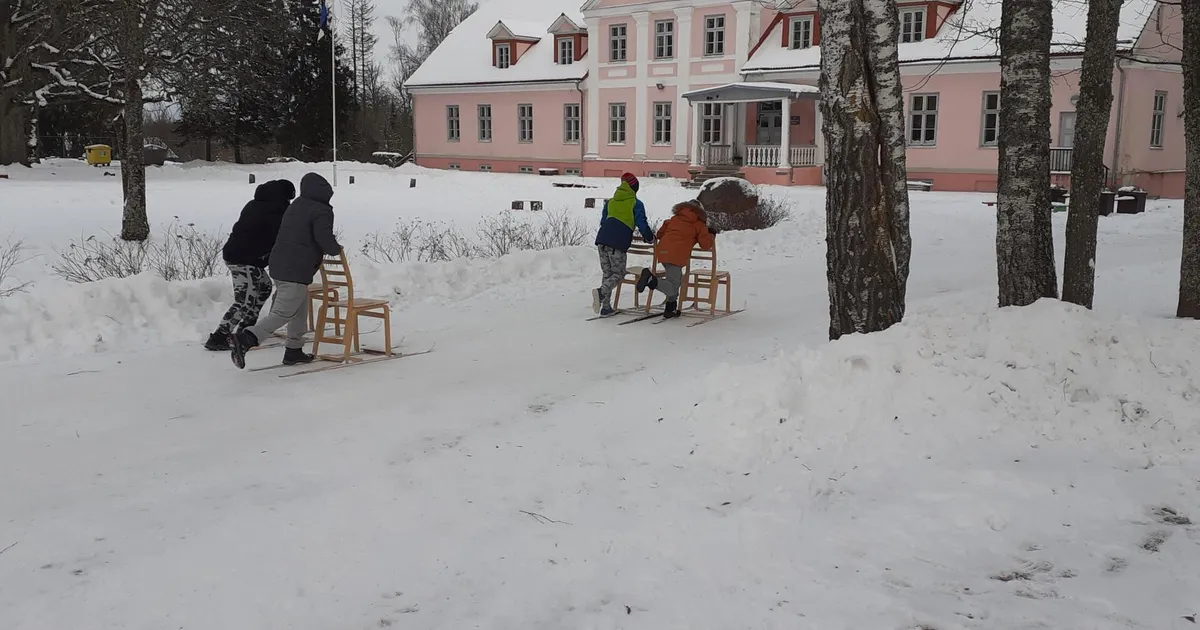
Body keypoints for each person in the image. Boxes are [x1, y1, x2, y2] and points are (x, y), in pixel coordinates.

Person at [230, 172, 342, 369]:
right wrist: (336, 249)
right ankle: (247, 338)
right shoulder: (321, 210)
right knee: (283, 312)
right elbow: (323, 237)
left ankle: (294, 350)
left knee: (299, 309)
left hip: (279, 265)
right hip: (295, 268)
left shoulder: (296, 205)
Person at [205, 179, 296, 351]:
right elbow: (280, 234)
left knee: (264, 288)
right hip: (243, 259)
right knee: (245, 299)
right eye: (289, 198)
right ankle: (219, 336)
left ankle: (246, 330)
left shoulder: (256, 204)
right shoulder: (275, 210)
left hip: (245, 257)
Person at [635, 199, 718, 319]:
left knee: (674, 279)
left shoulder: (673, 220)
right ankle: (651, 280)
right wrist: (711, 234)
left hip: (662, 252)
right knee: (673, 286)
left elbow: (659, 235)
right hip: (676, 255)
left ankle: (670, 308)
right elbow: (705, 245)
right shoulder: (699, 225)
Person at [593, 172, 655, 317]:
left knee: (608, 274)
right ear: (634, 188)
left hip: (602, 239)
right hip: (617, 242)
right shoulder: (636, 203)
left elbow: (603, 221)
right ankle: (601, 292)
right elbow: (641, 223)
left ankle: (606, 308)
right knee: (619, 273)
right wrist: (649, 237)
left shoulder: (610, 202)